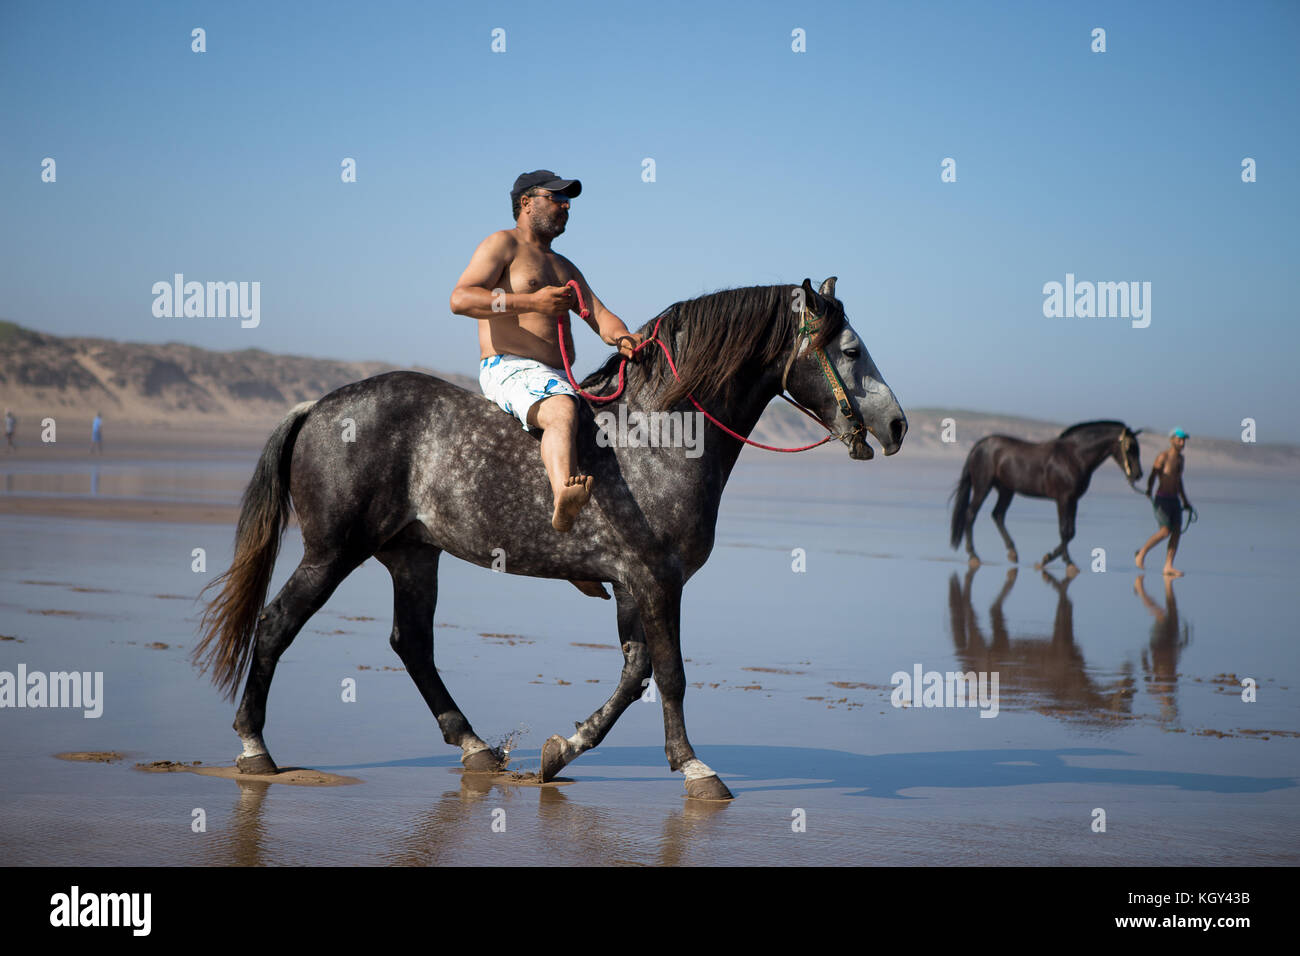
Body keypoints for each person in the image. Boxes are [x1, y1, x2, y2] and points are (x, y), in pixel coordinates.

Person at [449, 170, 642, 534]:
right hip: (510, 367)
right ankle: (563, 498)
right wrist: (532, 302)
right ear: (526, 203)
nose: (565, 206)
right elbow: (460, 299)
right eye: (557, 198)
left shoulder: (563, 265)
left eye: (568, 201)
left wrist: (625, 339)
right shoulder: (502, 244)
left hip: (558, 376)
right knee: (561, 410)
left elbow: (600, 316)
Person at [1136, 428, 1193, 577]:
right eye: (1179, 440)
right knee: (1165, 531)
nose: (1182, 443)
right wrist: (1149, 489)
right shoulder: (1163, 457)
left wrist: (1185, 501)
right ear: (1172, 440)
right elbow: (1153, 475)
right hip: (1162, 499)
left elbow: (1179, 481)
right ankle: (1142, 553)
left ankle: (1168, 566)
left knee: (1176, 532)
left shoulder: (1181, 459)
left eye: (1184, 440)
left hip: (1175, 499)